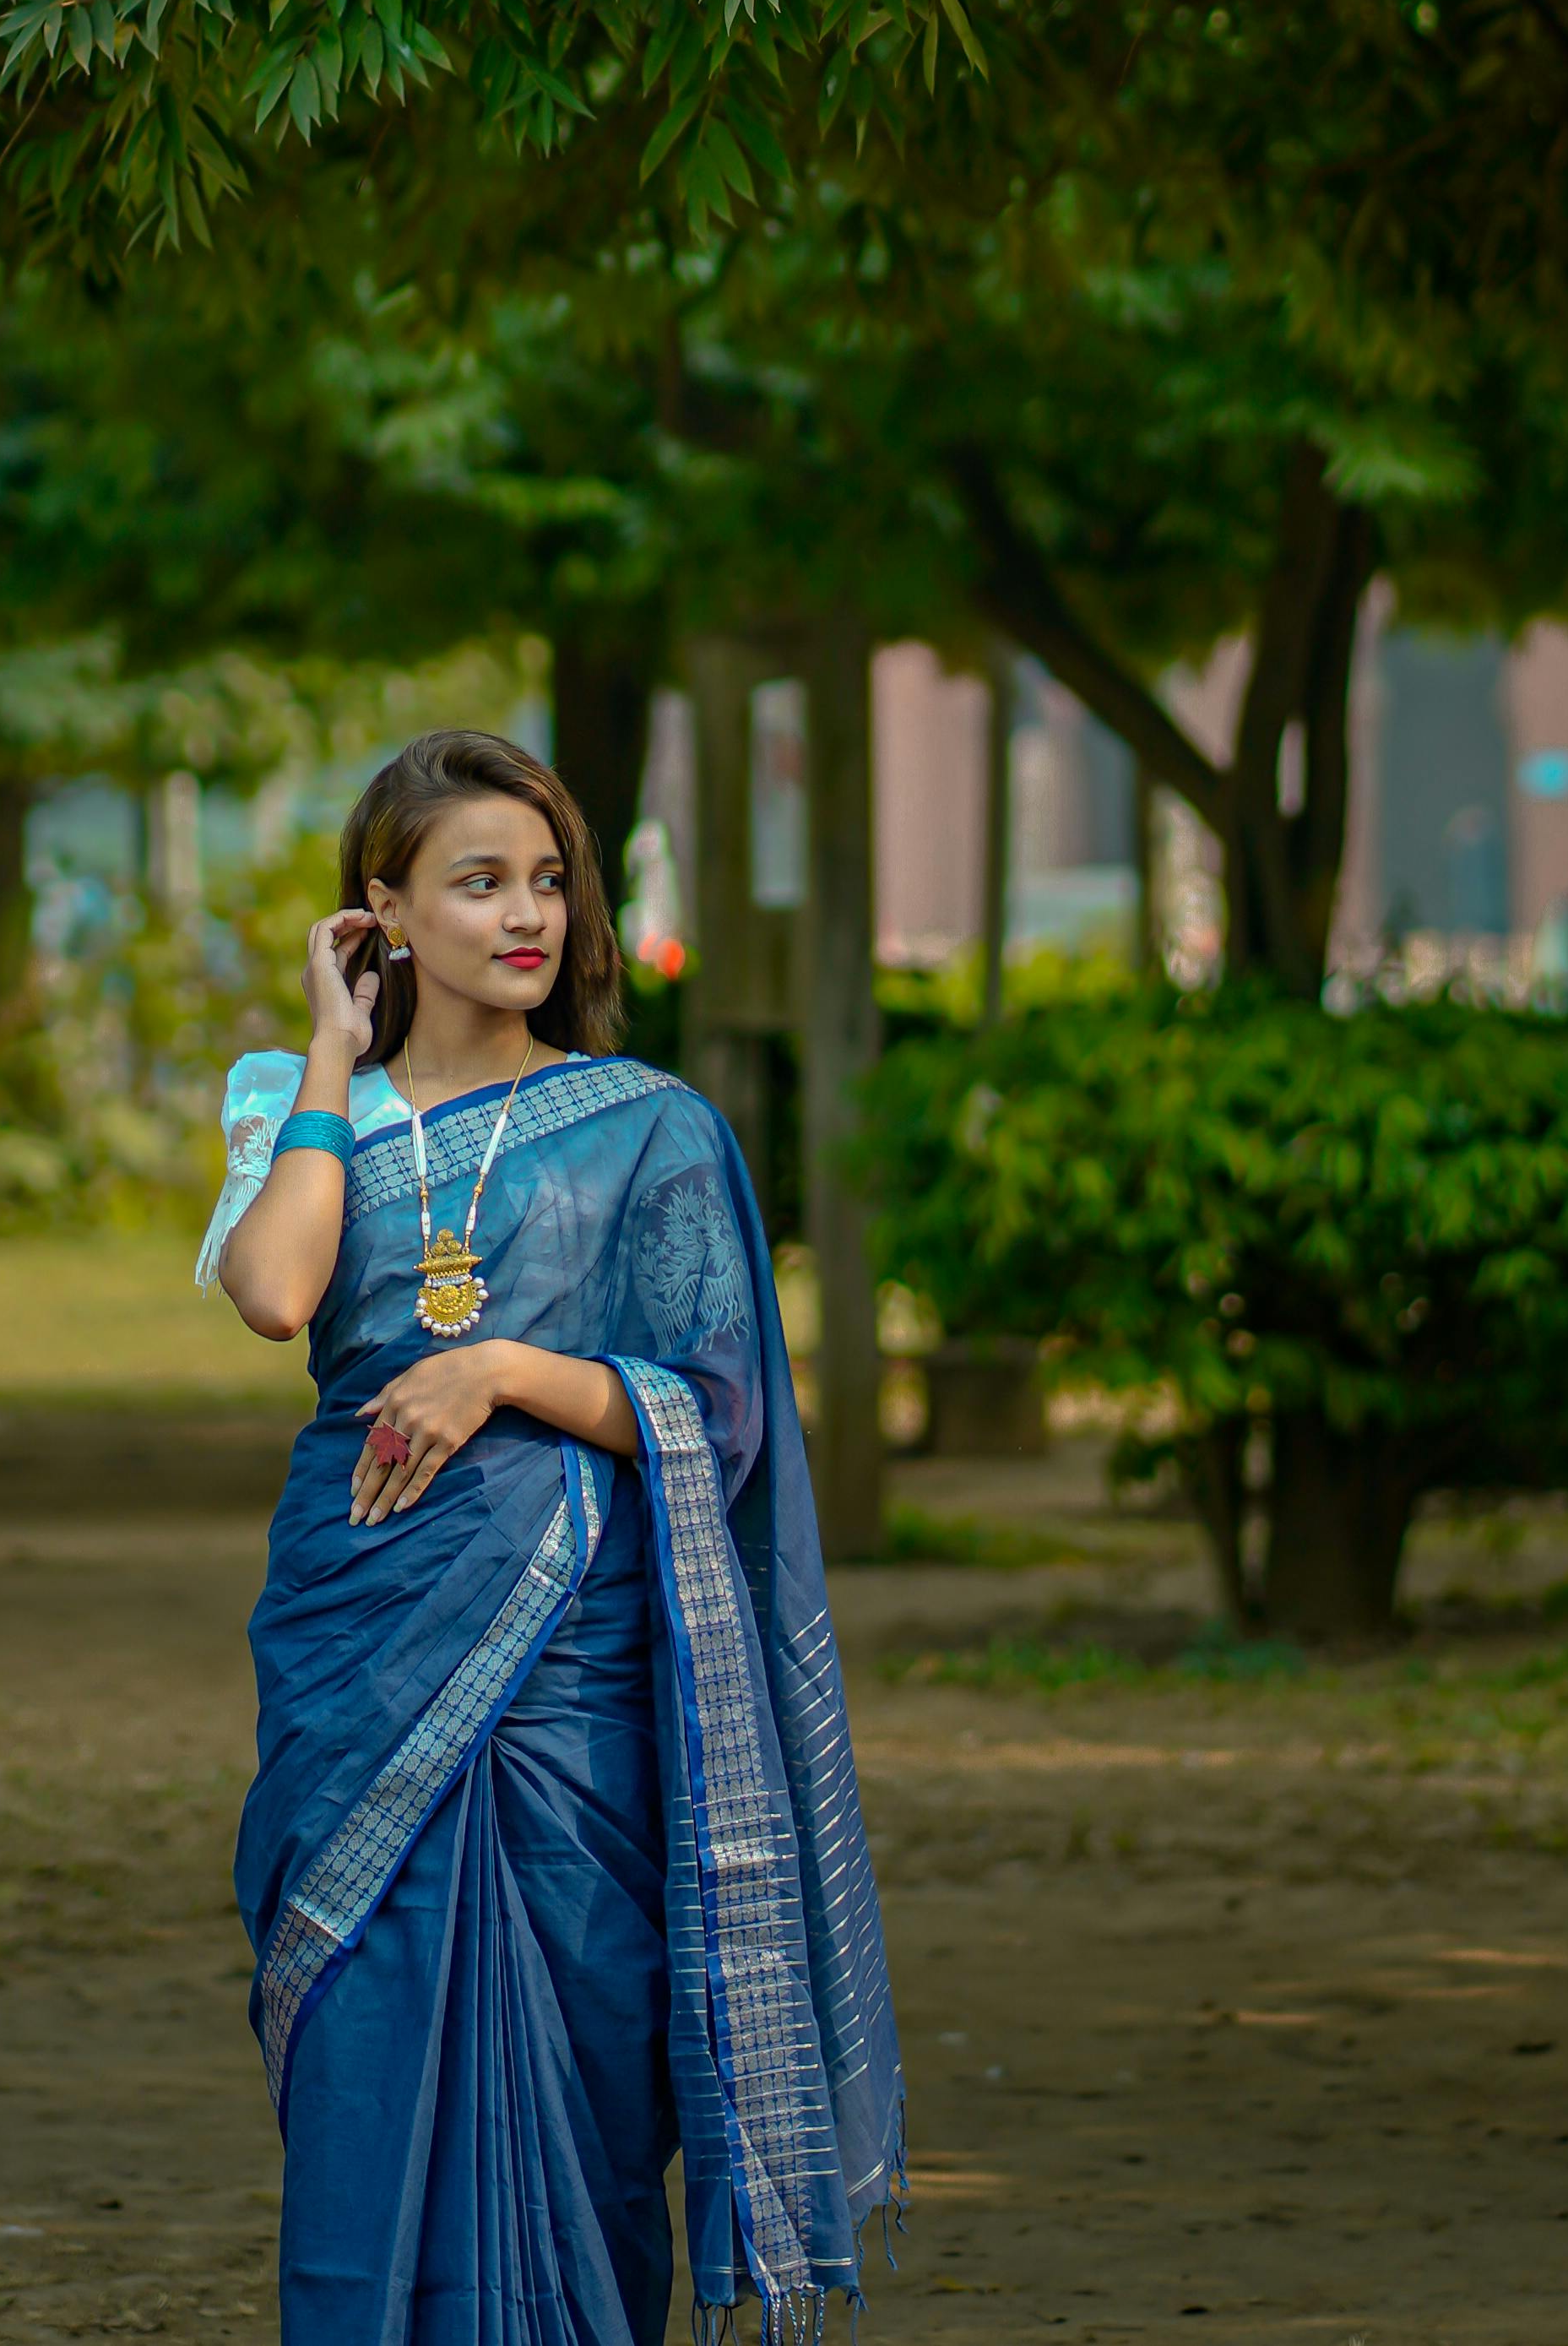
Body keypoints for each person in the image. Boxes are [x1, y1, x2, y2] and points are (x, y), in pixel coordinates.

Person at [203, 725, 903, 2346]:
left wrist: (501, 1369)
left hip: (572, 1690)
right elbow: (273, 1293)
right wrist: (327, 1050)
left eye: (545, 879)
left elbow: (719, 1410)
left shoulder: (649, 1126)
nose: (526, 914)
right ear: (380, 906)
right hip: (358, 1648)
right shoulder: (298, 1110)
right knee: (364, 2074)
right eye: (475, 881)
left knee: (583, 2110)